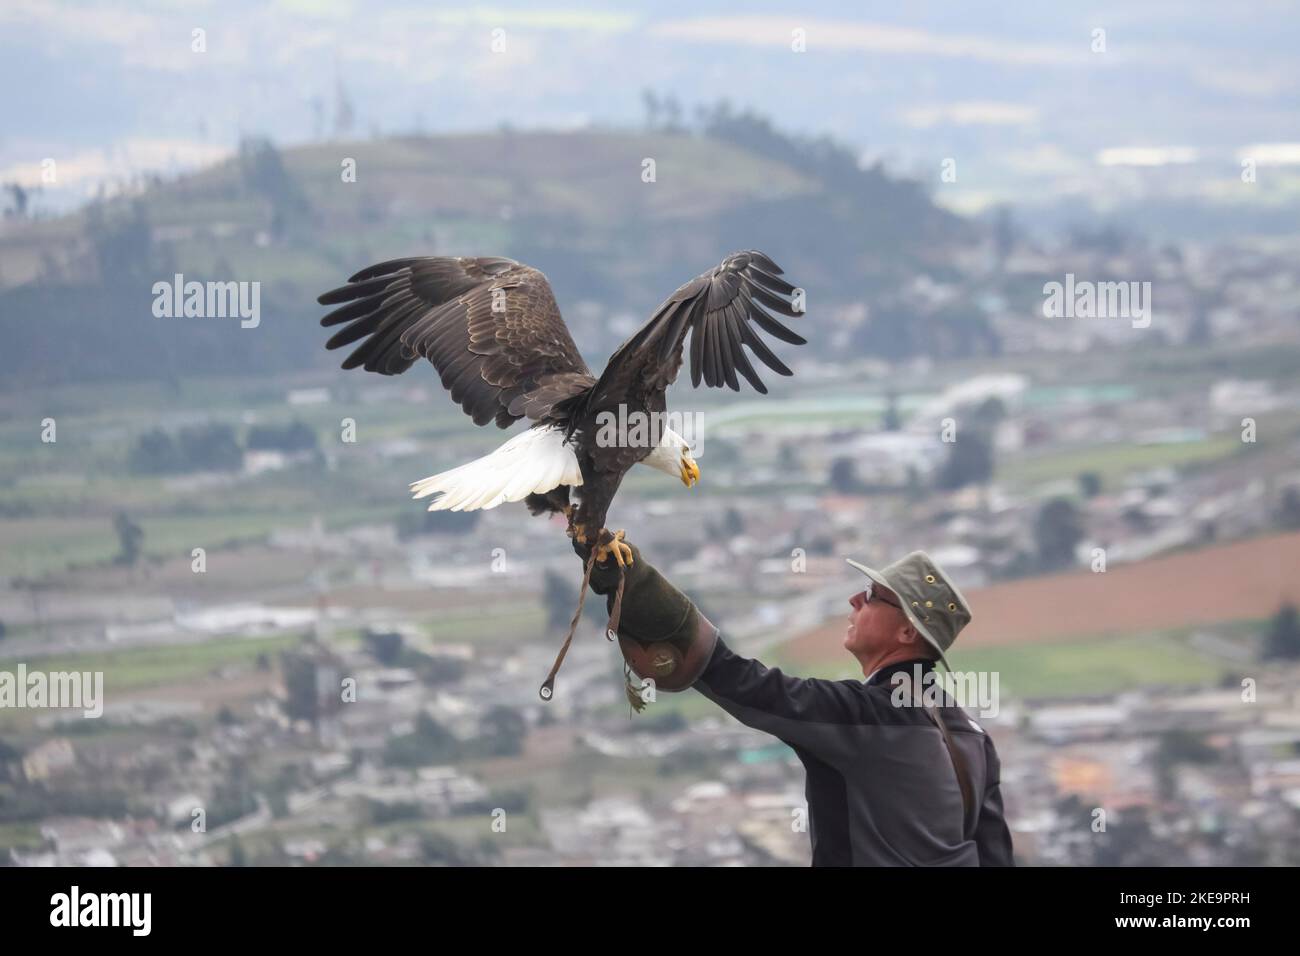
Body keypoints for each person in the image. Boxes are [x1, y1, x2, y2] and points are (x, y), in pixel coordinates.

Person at [574, 534, 1015, 867]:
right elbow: (995, 857)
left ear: (906, 633)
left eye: (875, 597)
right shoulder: (972, 736)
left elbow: (743, 684)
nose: (855, 598)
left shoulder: (866, 718)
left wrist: (634, 582)